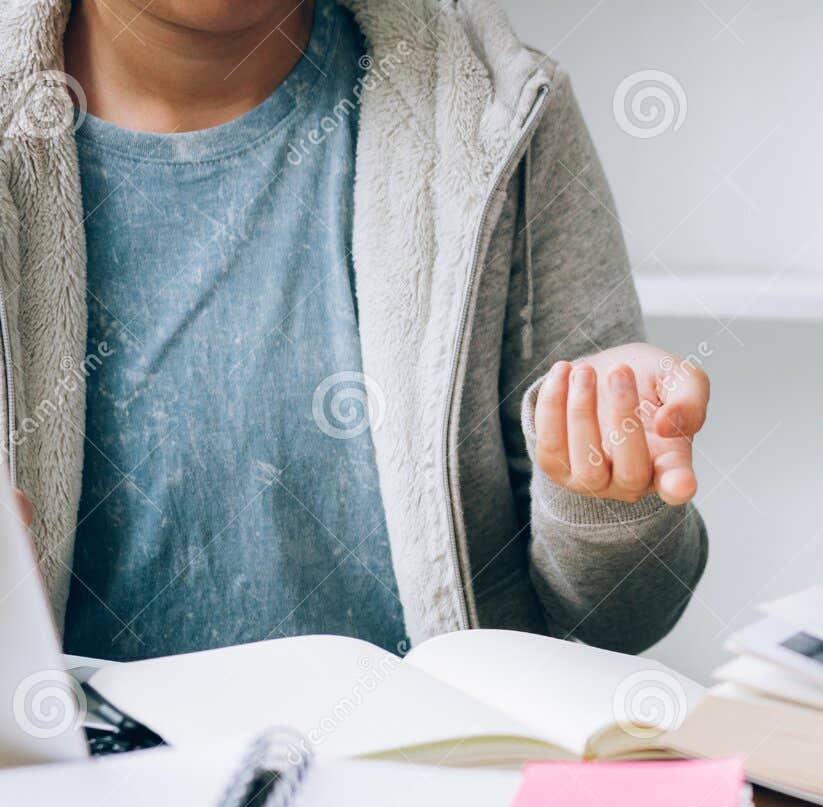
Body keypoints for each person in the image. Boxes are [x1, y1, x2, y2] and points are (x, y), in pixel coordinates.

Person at [1, 0, 707, 661]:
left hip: (440, 754)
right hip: (72, 757)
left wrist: (608, 497)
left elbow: (624, 618)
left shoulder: (501, 110)